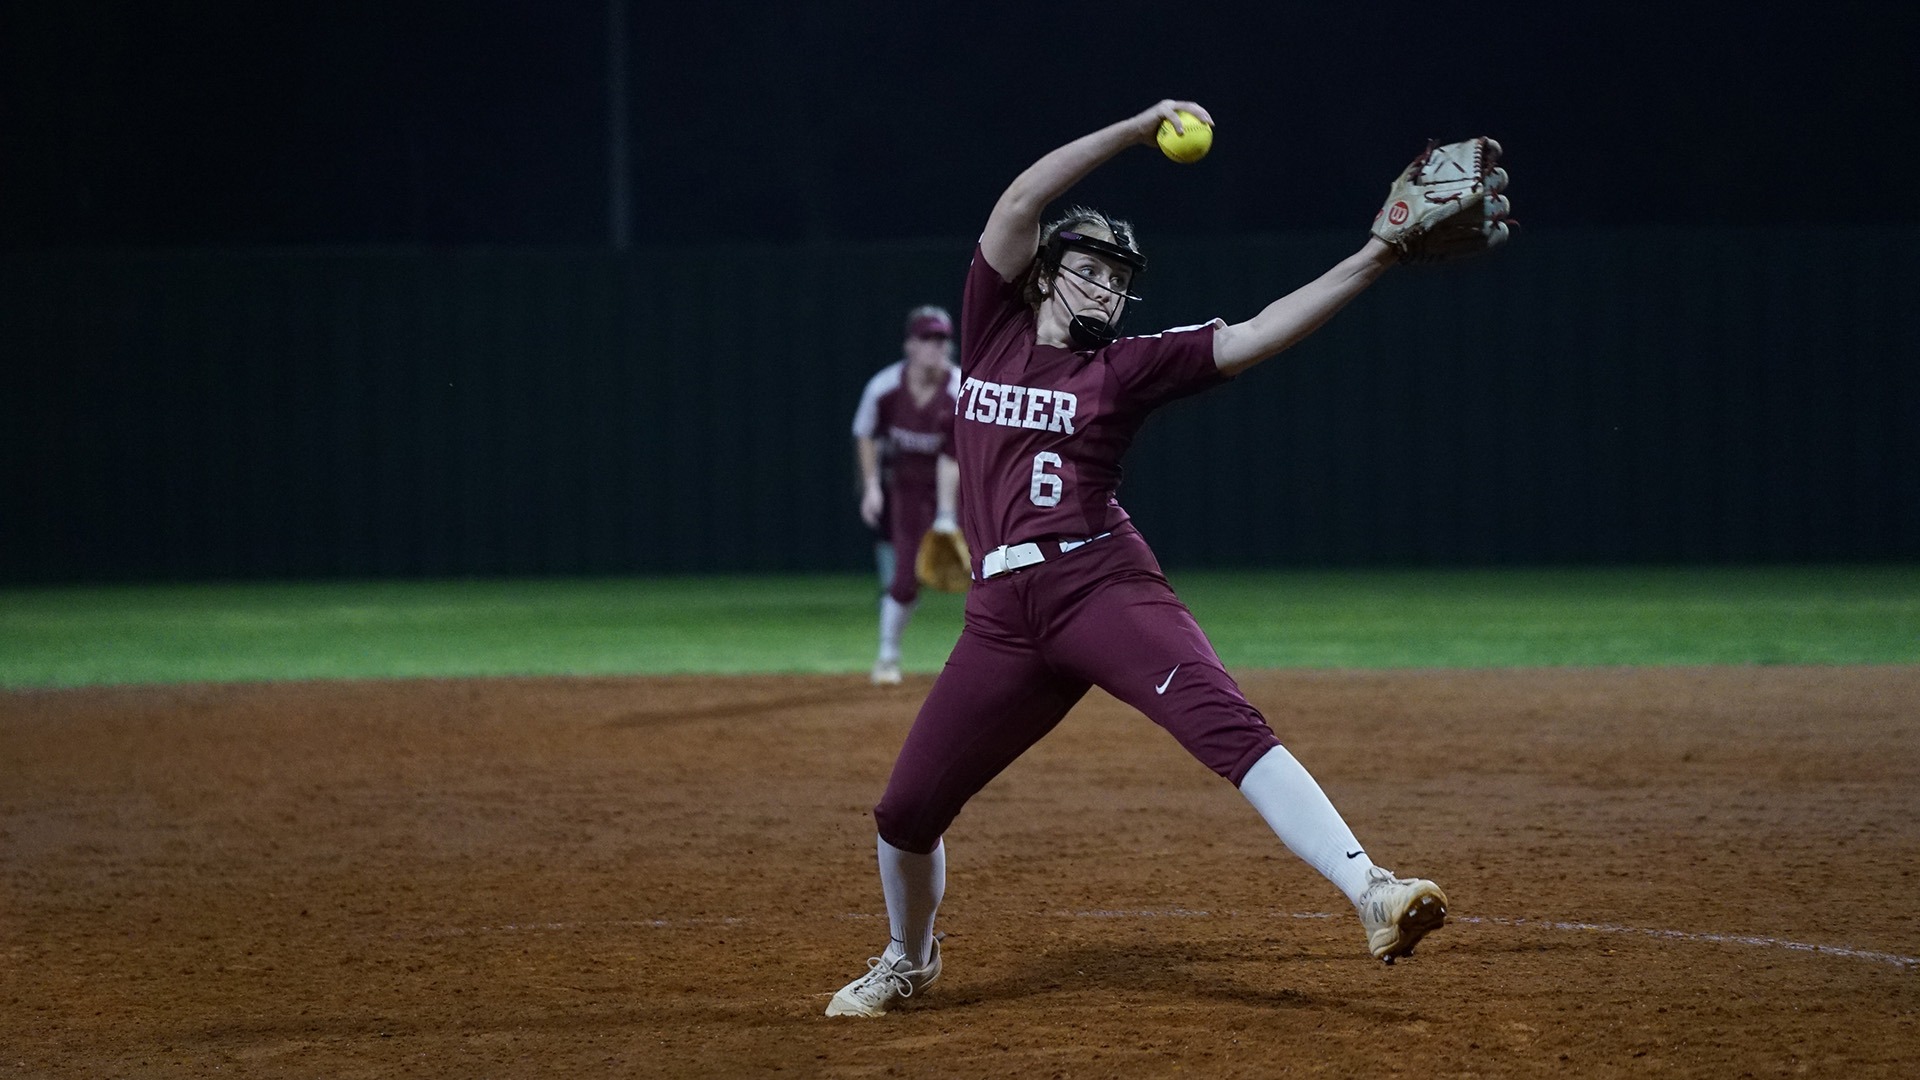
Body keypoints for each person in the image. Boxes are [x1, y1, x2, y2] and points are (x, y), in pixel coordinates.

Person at [826, 101, 1506, 1017]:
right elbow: (1021, 199)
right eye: (1090, 270)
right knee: (904, 813)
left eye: (1119, 279)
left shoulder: (1125, 368)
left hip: (1099, 585)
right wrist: (1137, 128)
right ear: (1043, 275)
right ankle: (909, 960)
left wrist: (1376, 255)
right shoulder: (990, 327)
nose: (1106, 289)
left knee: (1226, 725)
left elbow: (1258, 333)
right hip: (1000, 620)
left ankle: (1372, 888)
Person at [850, 305, 963, 686]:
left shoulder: (959, 389)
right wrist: (871, 487)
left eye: (942, 339)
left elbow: (953, 456)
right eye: (927, 338)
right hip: (907, 489)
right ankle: (887, 655)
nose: (936, 346)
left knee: (991, 575)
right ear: (909, 345)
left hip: (959, 488)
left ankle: (998, 664)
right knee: (904, 579)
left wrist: (947, 515)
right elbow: (865, 434)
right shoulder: (884, 387)